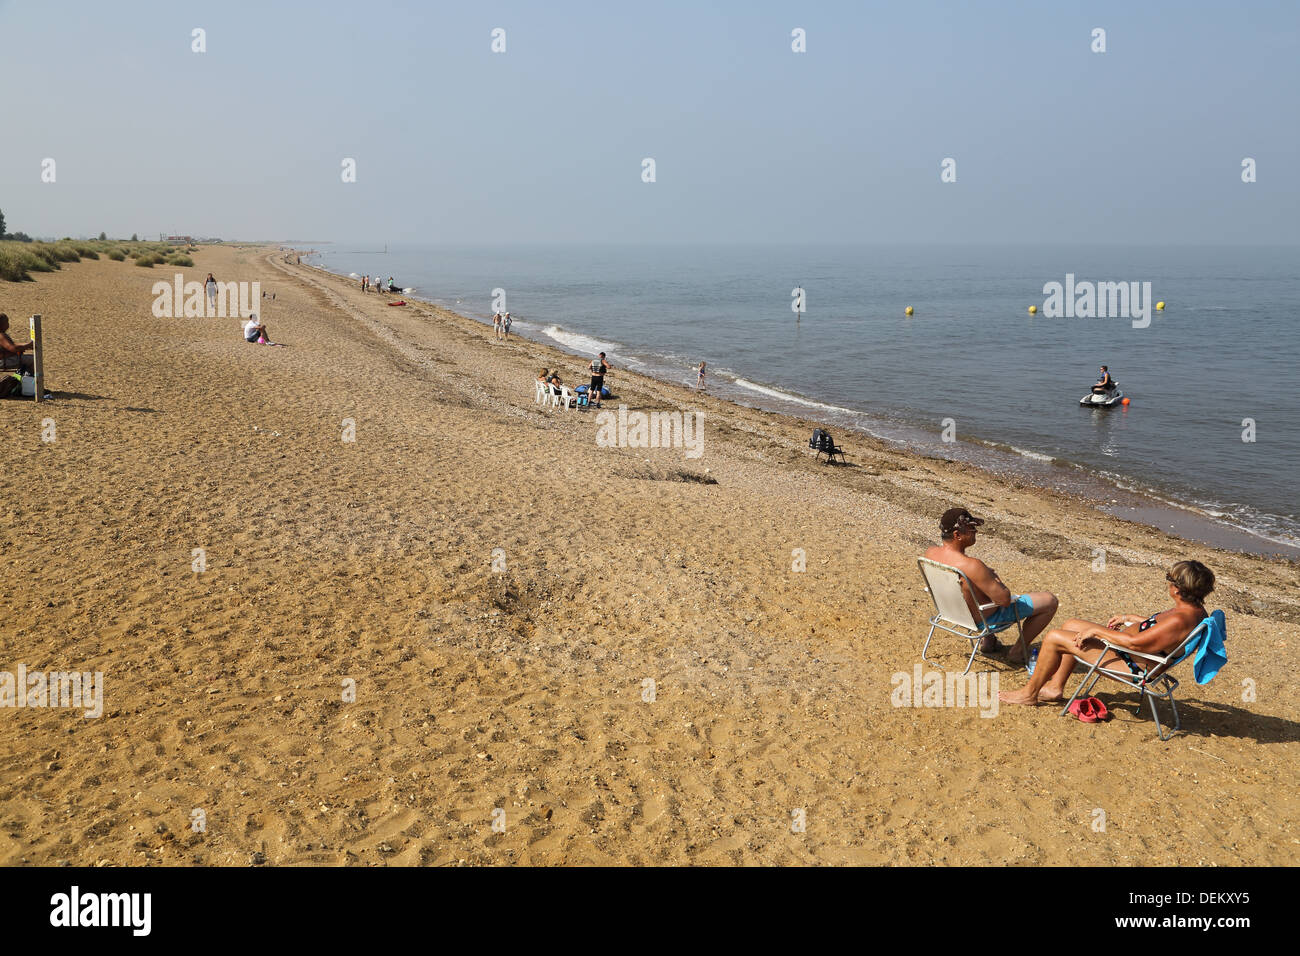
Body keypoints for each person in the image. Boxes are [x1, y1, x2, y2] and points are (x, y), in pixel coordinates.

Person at [999, 560, 1214, 705]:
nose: (1167, 582)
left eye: (1170, 578)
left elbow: (1134, 643)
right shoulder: (1193, 611)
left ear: (1177, 588)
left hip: (1132, 666)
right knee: (1072, 624)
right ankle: (1055, 687)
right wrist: (1130, 619)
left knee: (1055, 637)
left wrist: (1097, 632)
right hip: (1132, 654)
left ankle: (1028, 694)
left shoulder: (1179, 619)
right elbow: (1161, 631)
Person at [923, 507, 1059, 664]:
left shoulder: (930, 553)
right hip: (980, 619)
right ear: (957, 535)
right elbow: (1005, 600)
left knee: (976, 589)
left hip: (951, 610)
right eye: (971, 528)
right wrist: (995, 578)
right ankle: (1017, 651)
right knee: (1050, 601)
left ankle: (988, 641)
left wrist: (983, 577)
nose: (975, 531)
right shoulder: (971, 566)